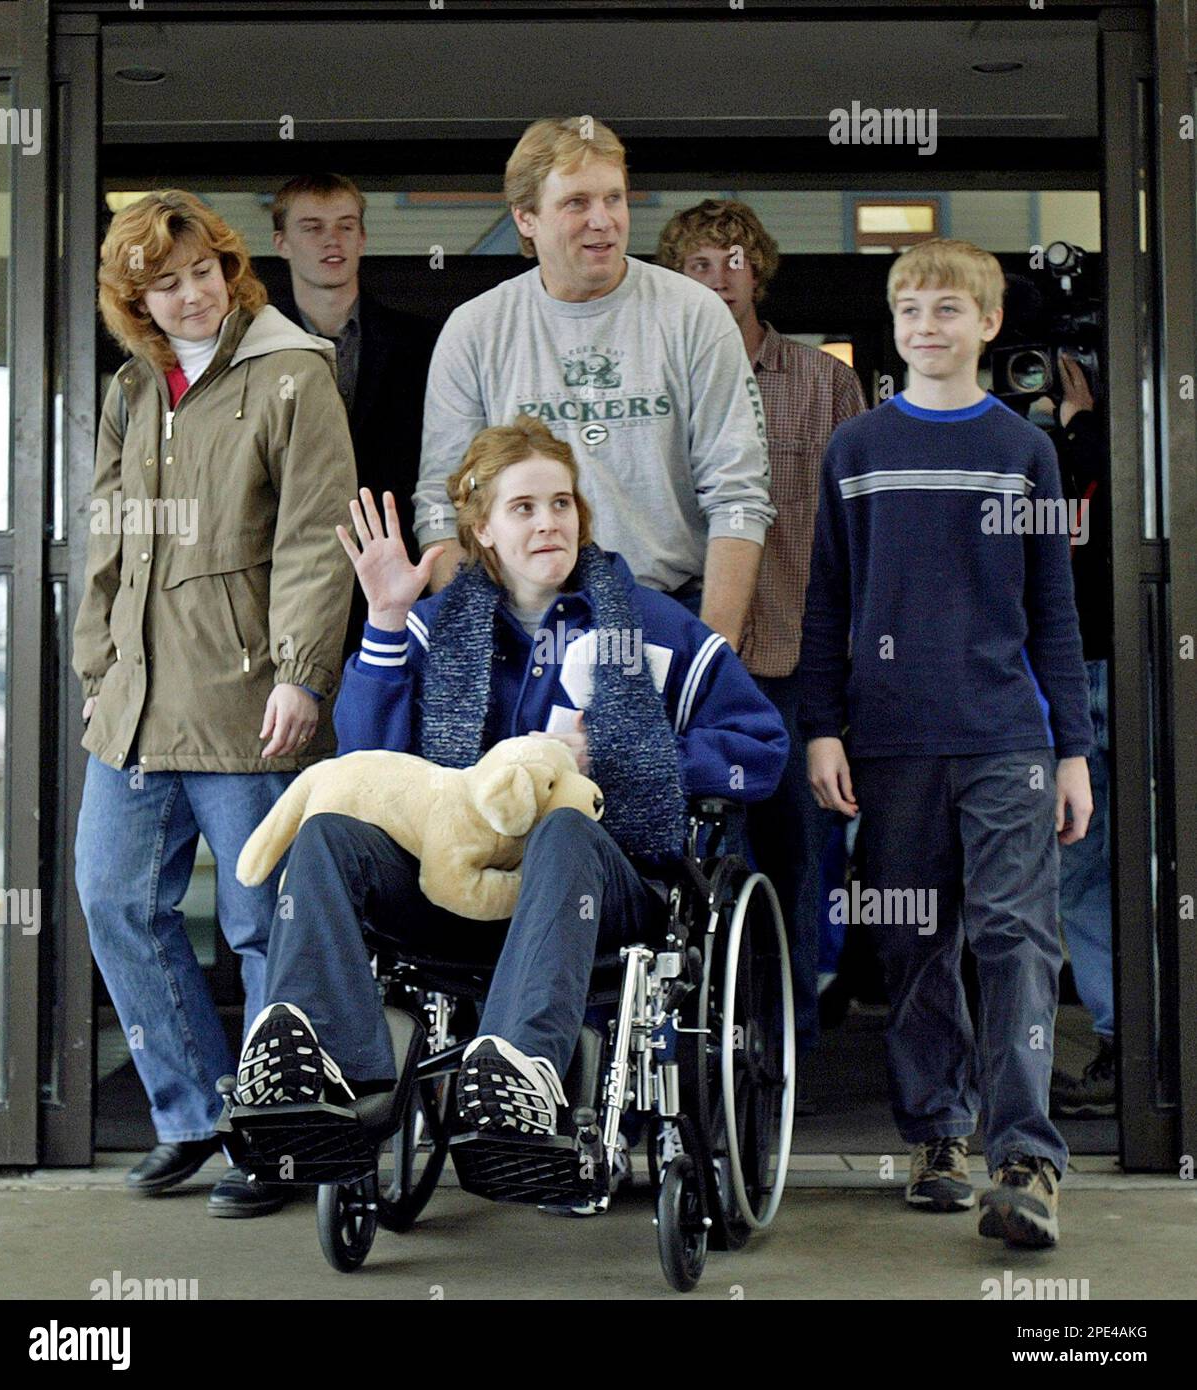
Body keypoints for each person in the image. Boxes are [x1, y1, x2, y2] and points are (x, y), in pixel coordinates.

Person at [232, 415, 788, 1169]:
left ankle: (519, 1088)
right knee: (330, 828)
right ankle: (336, 1073)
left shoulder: (654, 628)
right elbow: (371, 765)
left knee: (562, 832)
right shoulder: (434, 627)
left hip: (604, 886)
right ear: (482, 529)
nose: (549, 522)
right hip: (452, 885)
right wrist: (389, 620)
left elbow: (760, 750)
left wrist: (628, 755)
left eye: (561, 504)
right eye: (523, 508)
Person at [799, 239, 1093, 1249]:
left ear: (990, 323)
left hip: (1005, 734)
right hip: (887, 741)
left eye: (948, 311)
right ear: (893, 326)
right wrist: (823, 727)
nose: (928, 327)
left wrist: (1071, 748)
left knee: (1018, 940)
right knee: (914, 942)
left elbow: (1054, 607)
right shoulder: (857, 450)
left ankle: (1027, 1159)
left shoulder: (1027, 450)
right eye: (911, 310)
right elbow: (827, 599)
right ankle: (936, 1135)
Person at [72, 190, 357, 1217]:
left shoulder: (293, 376)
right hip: (136, 706)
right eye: (166, 281)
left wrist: (300, 672)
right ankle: (192, 1112)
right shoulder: (130, 392)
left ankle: (275, 1138)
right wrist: (95, 662)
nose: (191, 295)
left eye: (205, 272)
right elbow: (106, 536)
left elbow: (318, 536)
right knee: (112, 895)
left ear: (230, 271)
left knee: (257, 924)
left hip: (248, 701)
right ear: (137, 298)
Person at [412, 117, 773, 650]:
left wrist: (713, 647)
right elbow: (444, 502)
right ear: (526, 217)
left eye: (614, 198)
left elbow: (738, 493)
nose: (603, 221)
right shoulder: (476, 329)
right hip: (524, 626)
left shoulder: (694, 314)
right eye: (577, 203)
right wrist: (475, 646)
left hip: (671, 613)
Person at [656, 198, 866, 1065]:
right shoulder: (659, 376)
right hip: (683, 663)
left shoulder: (822, 382)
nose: (716, 276)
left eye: (731, 259)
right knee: (688, 863)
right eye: (697, 263)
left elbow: (862, 528)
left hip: (788, 657)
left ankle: (784, 1055)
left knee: (793, 864)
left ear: (759, 268)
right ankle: (697, 1050)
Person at [269, 173, 437, 660]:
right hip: (287, 578)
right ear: (281, 243)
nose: (332, 240)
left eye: (345, 226)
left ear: (363, 239)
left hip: (394, 574)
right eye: (312, 227)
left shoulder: (420, 345)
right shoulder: (253, 350)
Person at [1044, 355, 1115, 1116]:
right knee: (1089, 872)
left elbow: (1091, 523)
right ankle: (1126, 1043)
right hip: (1094, 667)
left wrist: (1081, 426)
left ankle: (1127, 1043)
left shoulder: (1101, 445)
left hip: (1099, 667)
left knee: (1087, 873)